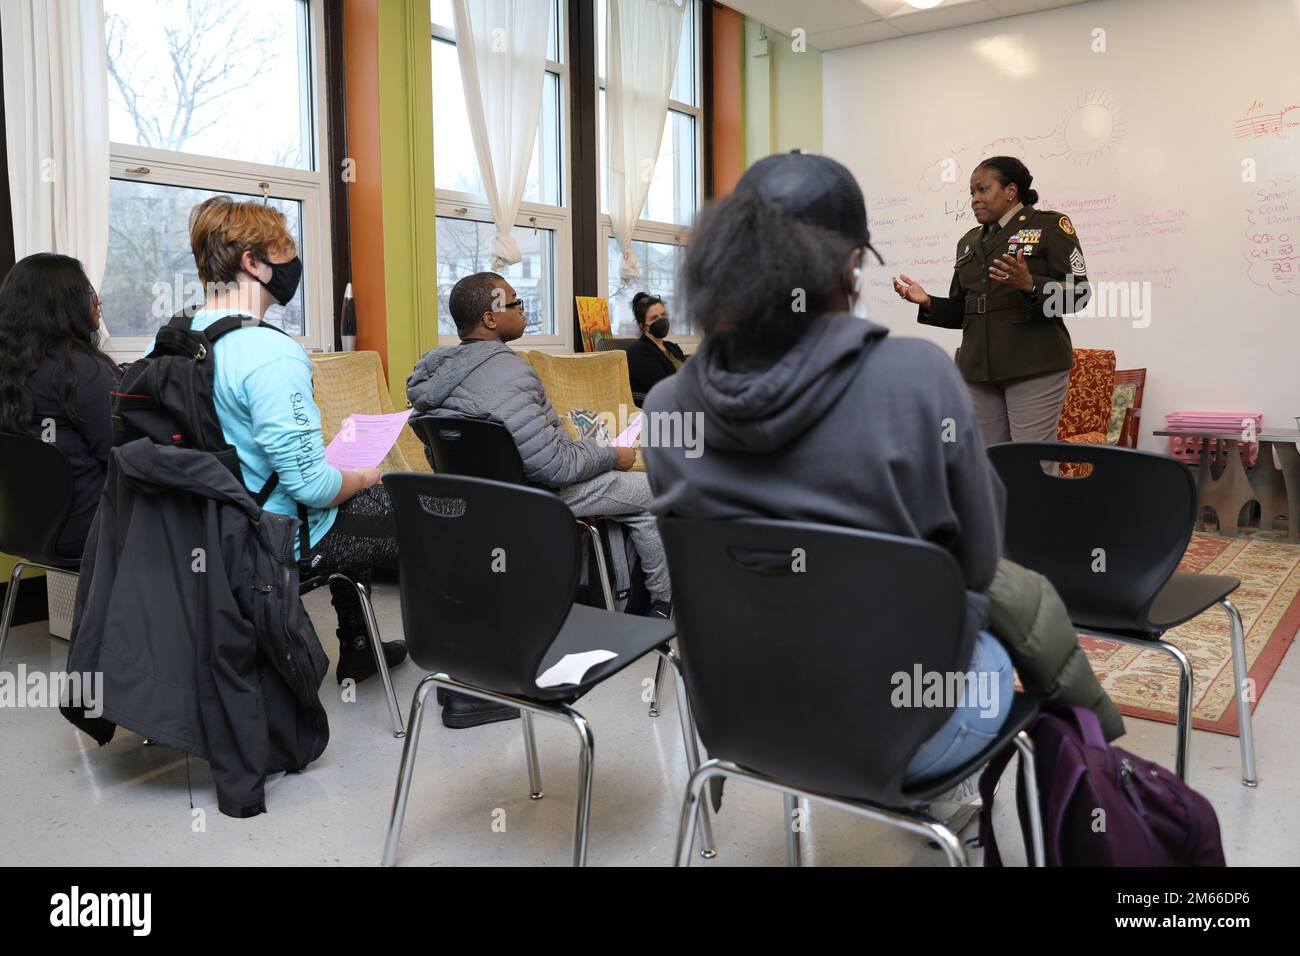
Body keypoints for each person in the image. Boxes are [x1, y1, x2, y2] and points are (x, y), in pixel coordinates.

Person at [641, 151, 1014, 795]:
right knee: (1014, 653)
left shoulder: (668, 406)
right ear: (848, 265)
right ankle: (947, 812)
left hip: (741, 722)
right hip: (904, 731)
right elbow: (979, 564)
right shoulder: (919, 378)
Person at [171, 195, 408, 687]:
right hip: (276, 540)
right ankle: (472, 667)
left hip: (208, 529)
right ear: (253, 264)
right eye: (284, 252)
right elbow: (313, 489)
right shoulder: (272, 354)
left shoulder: (180, 336)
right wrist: (365, 474)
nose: (292, 264)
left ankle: (360, 646)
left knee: (356, 503)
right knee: (420, 508)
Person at [406, 271, 674, 625]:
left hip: (473, 504)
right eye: (514, 302)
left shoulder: (432, 381)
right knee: (654, 490)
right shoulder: (512, 372)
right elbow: (554, 469)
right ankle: (662, 605)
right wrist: (611, 455)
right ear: (490, 318)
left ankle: (615, 590)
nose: (522, 309)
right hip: (533, 497)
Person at [893, 156, 1091, 445]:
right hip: (978, 367)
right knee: (988, 462)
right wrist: (928, 303)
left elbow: (1079, 294)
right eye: (972, 193)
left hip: (1033, 362)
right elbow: (964, 309)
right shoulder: (969, 242)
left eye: (982, 190)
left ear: (1010, 191)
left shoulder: (1049, 226)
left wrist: (1030, 284)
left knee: (1030, 463)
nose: (975, 199)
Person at [0, 253, 120, 559]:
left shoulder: (12, 370)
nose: (99, 302)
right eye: (91, 293)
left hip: (20, 529)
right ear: (66, 304)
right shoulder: (78, 370)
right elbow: (121, 453)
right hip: (87, 532)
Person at [625, 291, 685, 400]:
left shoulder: (673, 347)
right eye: (654, 318)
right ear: (643, 326)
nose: (661, 320)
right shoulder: (638, 352)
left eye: (663, 315)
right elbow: (662, 388)